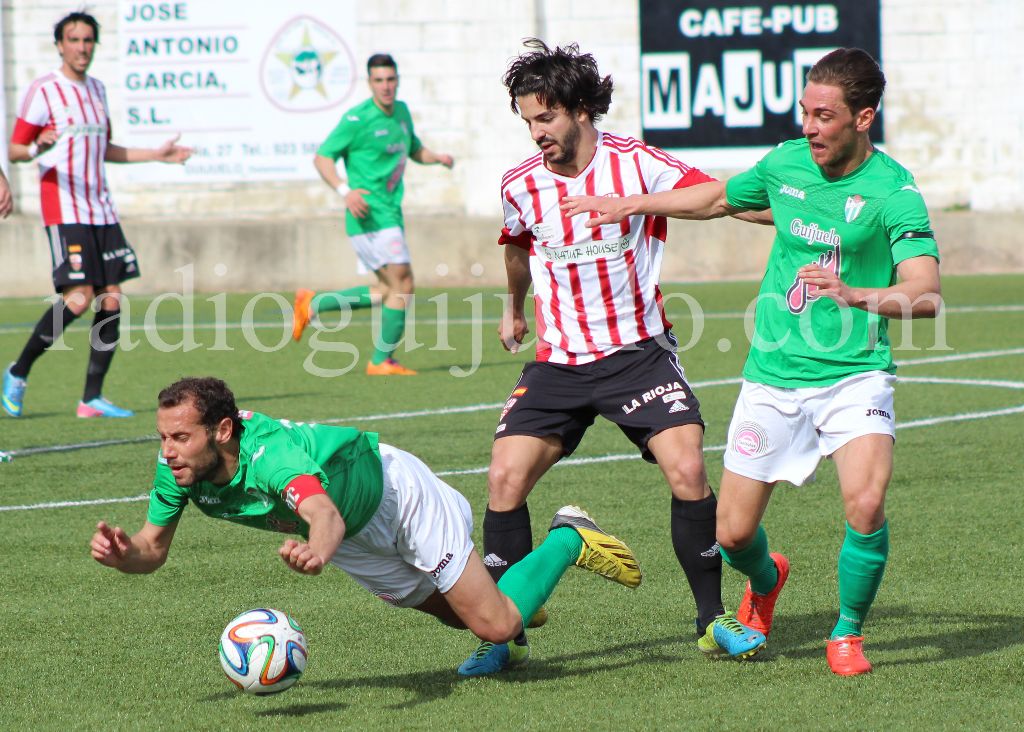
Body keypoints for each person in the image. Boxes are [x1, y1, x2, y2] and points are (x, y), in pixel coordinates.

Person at [562, 48, 942, 676]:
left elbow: (924, 290)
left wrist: (857, 296)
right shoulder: (785, 164)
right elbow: (715, 200)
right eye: (805, 112)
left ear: (865, 117)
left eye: (825, 116)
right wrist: (630, 205)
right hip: (773, 375)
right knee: (733, 535)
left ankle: (846, 633)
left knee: (866, 503)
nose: (810, 127)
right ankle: (767, 581)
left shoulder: (893, 191)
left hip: (854, 374)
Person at [465, 39, 770, 675]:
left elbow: (715, 198)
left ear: (579, 109)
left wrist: (795, 216)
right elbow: (517, 245)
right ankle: (503, 638)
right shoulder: (520, 183)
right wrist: (515, 308)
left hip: (637, 353)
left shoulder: (635, 163)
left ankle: (711, 620)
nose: (536, 133)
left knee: (687, 468)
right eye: (526, 121)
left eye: (544, 118)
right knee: (503, 480)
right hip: (560, 361)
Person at [90, 376, 641, 677]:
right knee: (461, 618)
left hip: (393, 496)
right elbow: (152, 548)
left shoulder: (272, 456)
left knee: (493, 625)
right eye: (162, 437)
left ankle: (568, 535)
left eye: (180, 437)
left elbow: (321, 514)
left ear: (224, 430)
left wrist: (318, 553)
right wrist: (125, 554)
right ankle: (510, 606)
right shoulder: (178, 471)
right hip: (352, 540)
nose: (168, 451)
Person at [1, 11, 192, 419]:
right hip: (64, 207)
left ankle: (90, 398)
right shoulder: (44, 90)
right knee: (78, 297)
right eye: (74, 39)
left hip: (101, 208)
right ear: (60, 45)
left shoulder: (98, 90)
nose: (82, 47)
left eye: (88, 40)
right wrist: (39, 146)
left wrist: (156, 155)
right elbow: (16, 150)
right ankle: (18, 372)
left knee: (111, 300)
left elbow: (104, 149)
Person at [291, 53, 454, 376]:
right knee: (403, 284)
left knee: (387, 290)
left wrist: (436, 157)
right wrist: (344, 191)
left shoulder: (402, 113)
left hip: (390, 214)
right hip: (370, 215)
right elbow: (323, 158)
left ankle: (314, 304)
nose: (386, 86)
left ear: (397, 80)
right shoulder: (358, 119)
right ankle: (380, 360)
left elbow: (412, 147)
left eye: (391, 79)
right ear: (369, 83)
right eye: (379, 80)